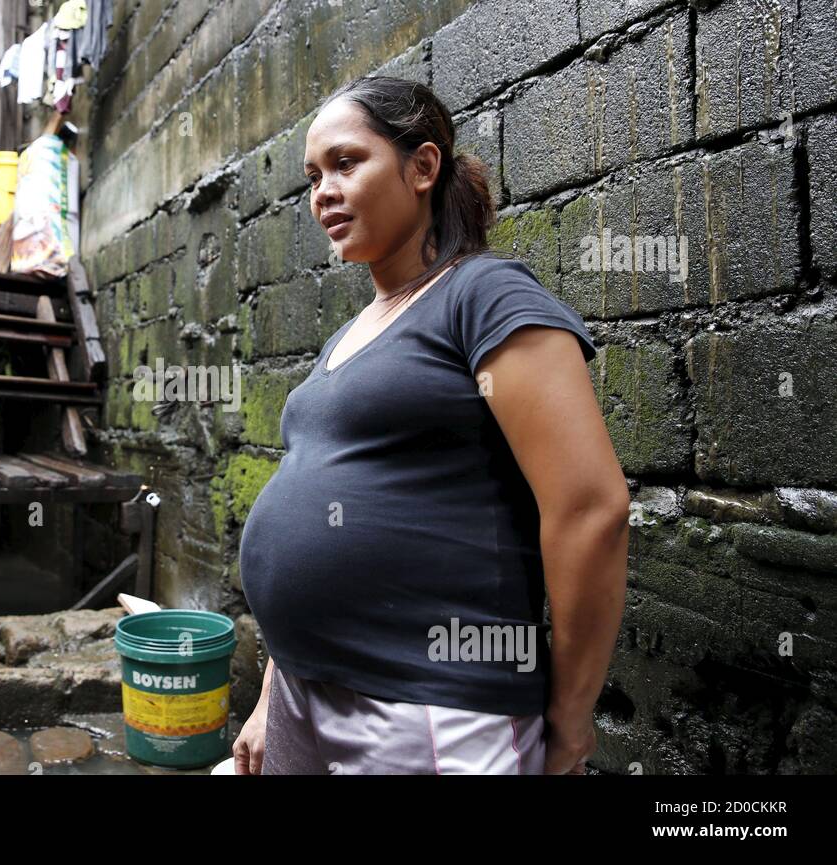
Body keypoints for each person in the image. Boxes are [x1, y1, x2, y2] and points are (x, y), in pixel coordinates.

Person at [233, 76, 630, 775]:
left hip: (427, 707)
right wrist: (272, 688)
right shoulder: (350, 335)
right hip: (304, 693)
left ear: (422, 167)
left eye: (347, 163)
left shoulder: (482, 294)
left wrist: (568, 720)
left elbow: (590, 508)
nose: (323, 190)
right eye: (313, 175)